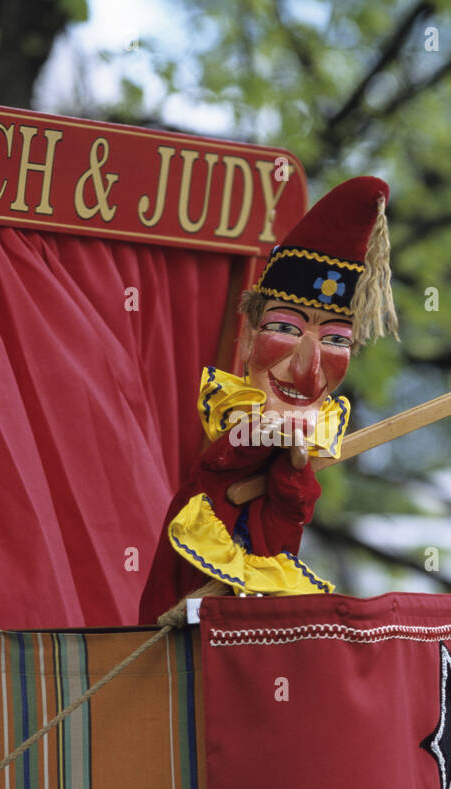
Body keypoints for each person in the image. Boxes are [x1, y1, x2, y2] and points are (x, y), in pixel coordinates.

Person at [138, 176, 398, 622]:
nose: (309, 368)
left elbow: (284, 522)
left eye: (335, 339)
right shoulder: (231, 439)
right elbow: (221, 469)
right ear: (246, 342)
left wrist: (295, 466)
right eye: (286, 329)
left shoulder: (292, 454)